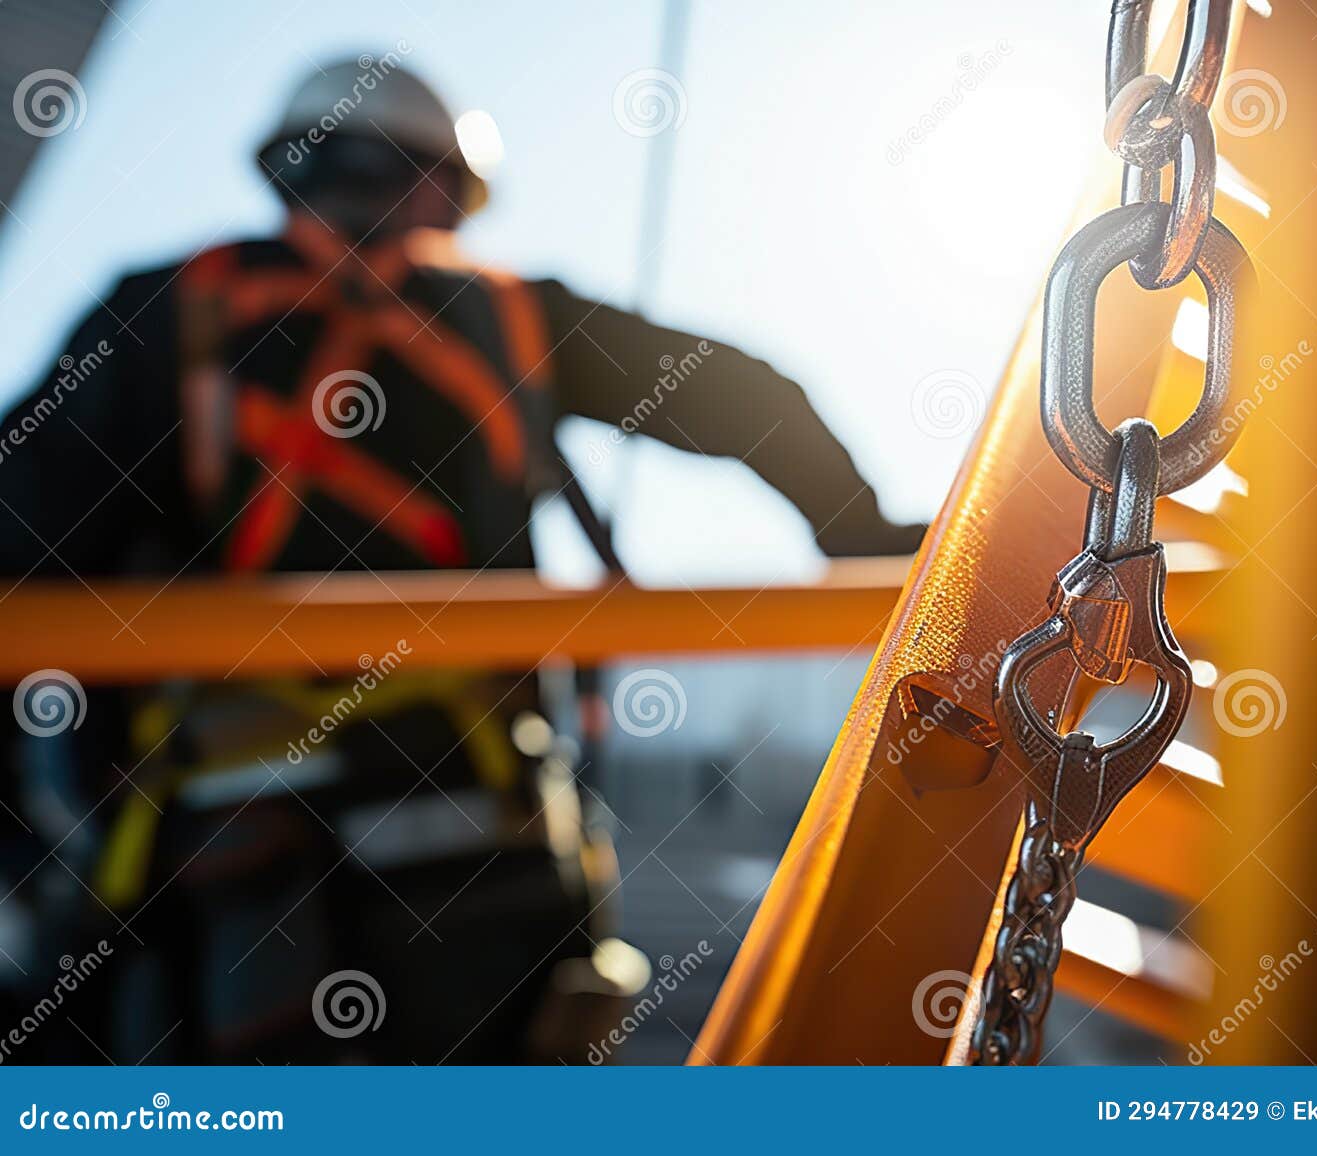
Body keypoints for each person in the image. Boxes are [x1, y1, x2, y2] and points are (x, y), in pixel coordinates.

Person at [0, 58, 922, 1064]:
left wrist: (43, 833)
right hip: (479, 849)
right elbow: (750, 399)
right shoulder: (516, 317)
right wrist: (861, 537)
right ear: (445, 183)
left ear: (285, 174)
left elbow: (23, 532)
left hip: (225, 867)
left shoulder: (167, 314)